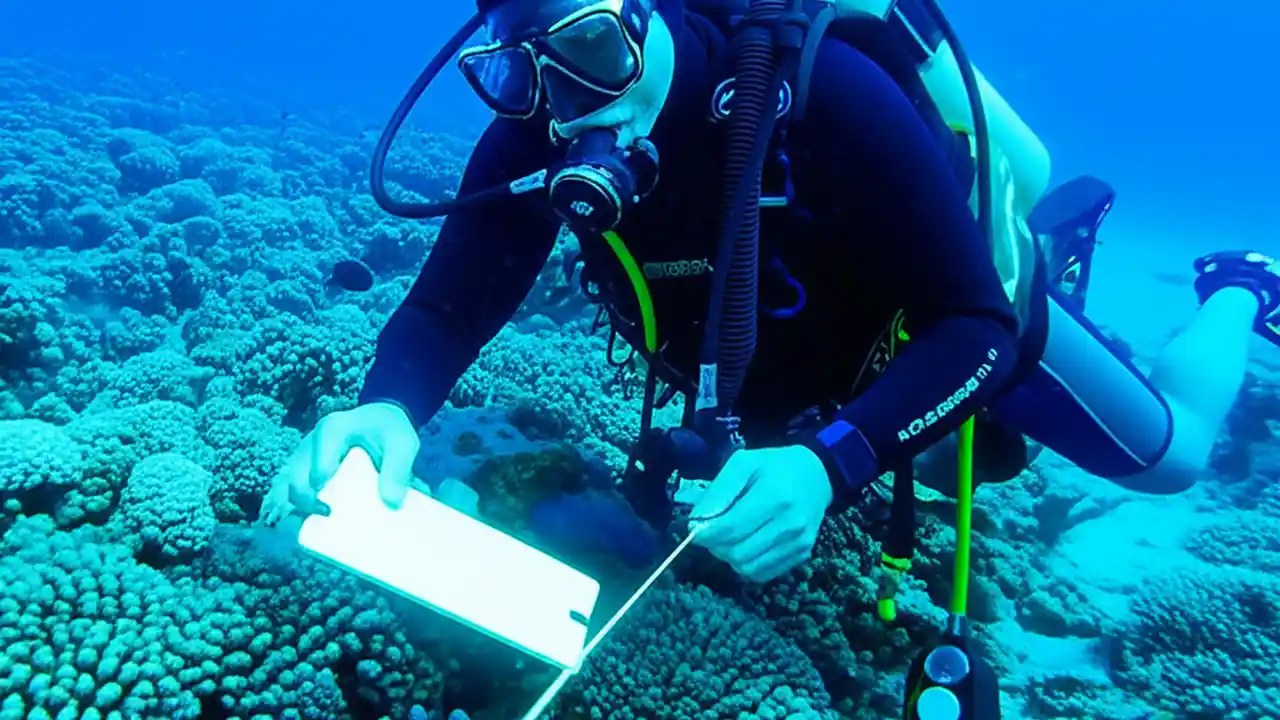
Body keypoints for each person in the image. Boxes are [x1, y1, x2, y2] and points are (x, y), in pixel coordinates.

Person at [260, 0, 1280, 589]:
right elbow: (446, 307)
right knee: (924, 469)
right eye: (524, 75)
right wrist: (388, 405)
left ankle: (1232, 285)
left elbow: (974, 327)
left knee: (1172, 456)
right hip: (793, 380)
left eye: (591, 47)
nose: (574, 103)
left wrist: (834, 463)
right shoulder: (539, 132)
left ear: (647, 10)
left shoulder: (821, 95)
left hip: (931, 325)